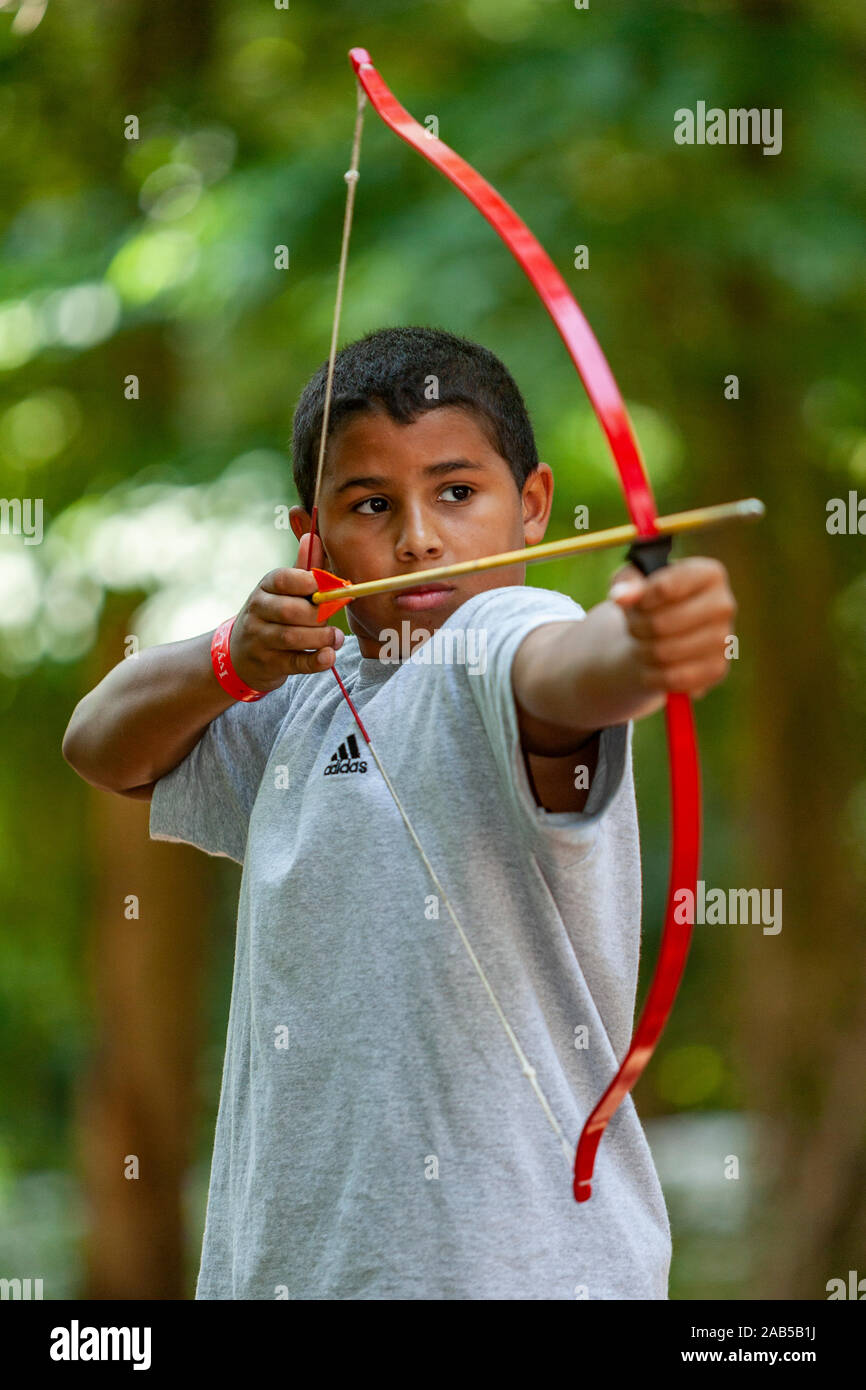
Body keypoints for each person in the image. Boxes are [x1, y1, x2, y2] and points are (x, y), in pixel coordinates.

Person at [62, 325, 737, 1299]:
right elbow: (100, 743)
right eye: (371, 504)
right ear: (315, 539)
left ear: (531, 506)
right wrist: (231, 656)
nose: (418, 535)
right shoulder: (298, 698)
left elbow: (563, 673)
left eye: (457, 493)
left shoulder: (504, 635)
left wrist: (636, 649)